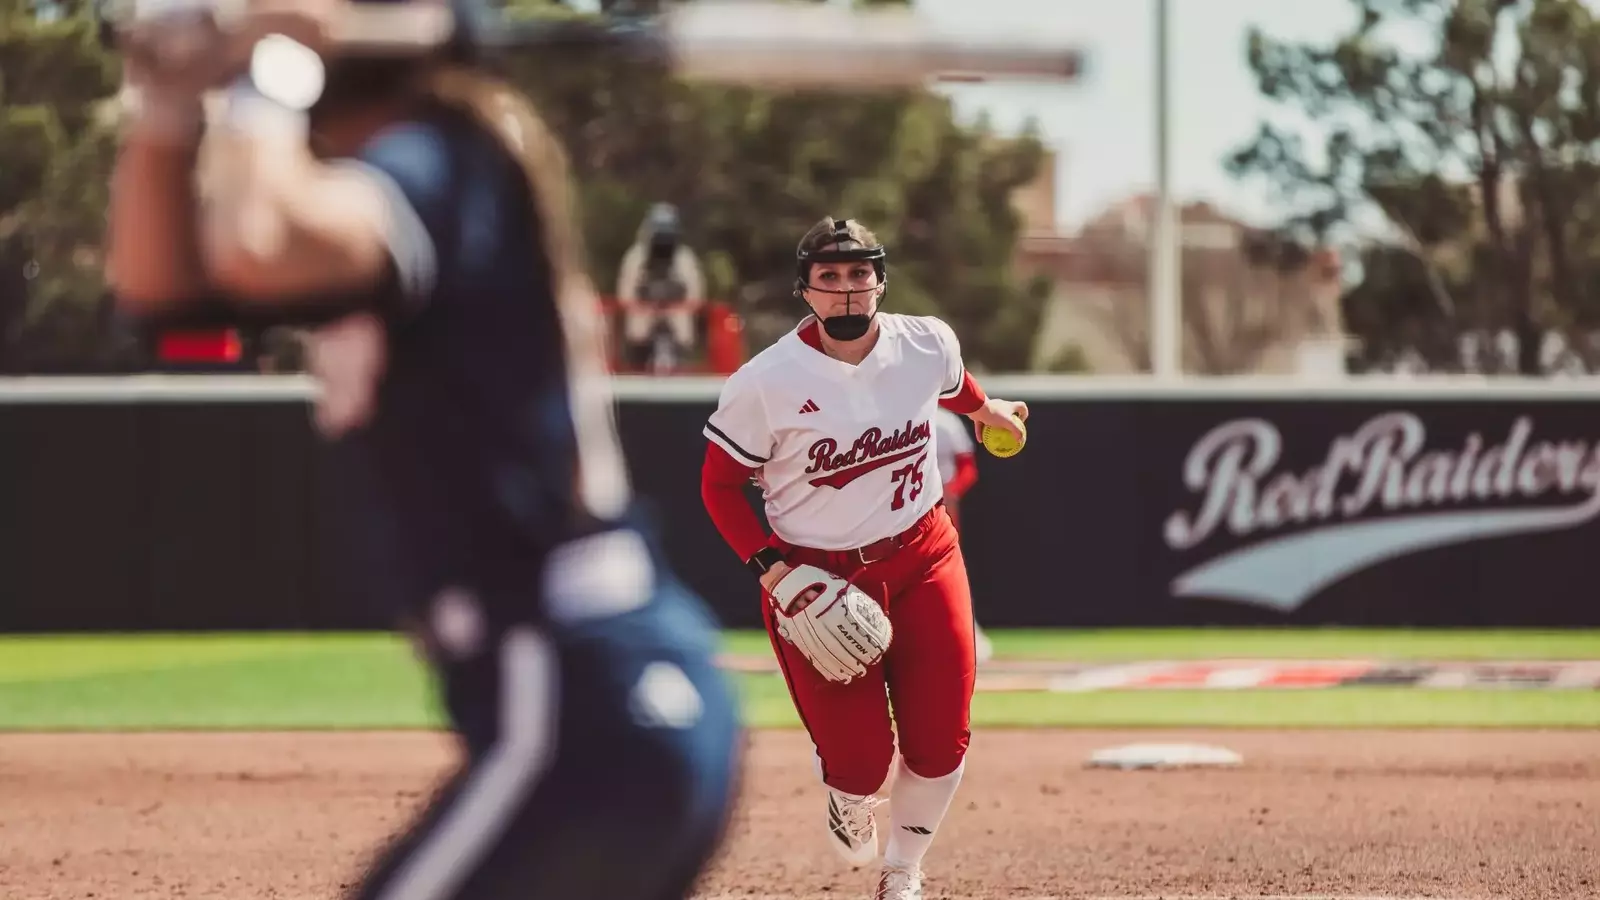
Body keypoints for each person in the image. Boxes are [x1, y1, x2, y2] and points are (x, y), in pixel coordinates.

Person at [106, 5, 741, 899]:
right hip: (593, 706)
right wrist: (166, 112)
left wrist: (265, 73)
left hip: (576, 699)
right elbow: (160, 286)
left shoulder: (440, 164)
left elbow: (258, 247)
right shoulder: (389, 179)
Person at [698, 217, 1028, 900]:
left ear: (880, 280)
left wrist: (984, 409)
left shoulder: (924, 342)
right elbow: (718, 485)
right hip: (816, 577)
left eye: (859, 274)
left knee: (942, 740)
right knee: (860, 761)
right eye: (830, 277)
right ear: (806, 290)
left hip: (922, 553)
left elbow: (954, 383)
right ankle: (847, 793)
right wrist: (774, 571)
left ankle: (902, 872)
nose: (847, 289)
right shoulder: (767, 381)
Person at [931, 407, 993, 664]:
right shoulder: (895, 413)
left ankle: (968, 635)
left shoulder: (947, 423)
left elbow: (968, 469)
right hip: (902, 509)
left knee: (949, 567)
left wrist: (951, 492)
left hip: (942, 506)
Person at [615, 202, 706, 372]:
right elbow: (625, 293)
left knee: (682, 329)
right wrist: (646, 304)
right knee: (637, 332)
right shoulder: (636, 257)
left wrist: (673, 303)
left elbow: (695, 294)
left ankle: (680, 365)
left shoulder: (685, 258)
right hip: (644, 315)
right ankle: (637, 364)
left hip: (676, 315)